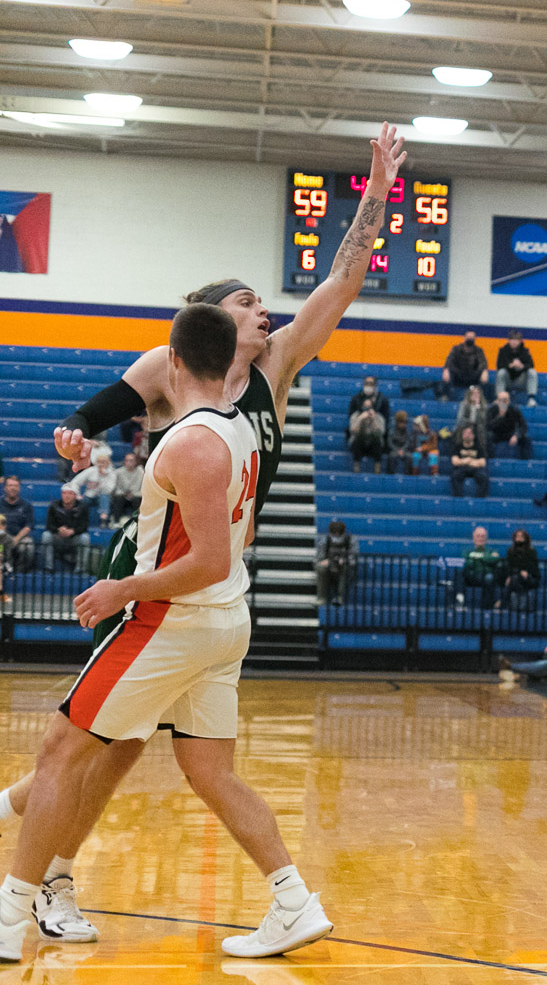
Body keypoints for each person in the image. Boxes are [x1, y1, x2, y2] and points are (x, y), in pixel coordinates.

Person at [0, 126, 407, 942]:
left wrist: (376, 193)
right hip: (156, 568)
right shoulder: (170, 366)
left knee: (117, 747)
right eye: (248, 300)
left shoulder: (280, 363)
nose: (266, 308)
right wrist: (76, 436)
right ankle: (48, 877)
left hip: (208, 580)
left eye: (263, 300)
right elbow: (97, 411)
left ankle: (32, 843)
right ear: (211, 325)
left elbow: (345, 275)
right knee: (101, 748)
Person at [4, 302, 328, 963]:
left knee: (62, 753)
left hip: (169, 621)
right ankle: (294, 902)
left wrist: (124, 588)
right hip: (222, 625)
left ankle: (10, 914)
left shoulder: (190, 442)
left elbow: (208, 560)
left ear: (173, 361)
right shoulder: (241, 426)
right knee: (211, 773)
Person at [37, 485, 91, 572]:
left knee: (85, 538)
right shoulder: (54, 506)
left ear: (75, 495)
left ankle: (80, 569)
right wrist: (58, 530)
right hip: (58, 537)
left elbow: (84, 526)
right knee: (46, 536)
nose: (67, 495)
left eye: (70, 493)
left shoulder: (83, 507)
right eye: (64, 493)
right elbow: (49, 525)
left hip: (74, 538)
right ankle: (48, 567)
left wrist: (73, 531)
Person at [314, 518, 357, 606]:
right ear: (330, 533)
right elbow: (318, 559)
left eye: (339, 535)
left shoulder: (350, 540)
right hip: (329, 567)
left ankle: (339, 597)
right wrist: (323, 561)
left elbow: (353, 559)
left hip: (344, 568)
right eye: (334, 535)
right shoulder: (325, 540)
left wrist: (345, 560)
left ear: (343, 533)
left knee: (344, 568)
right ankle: (322, 598)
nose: (337, 537)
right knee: (320, 568)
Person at [459, 526, 502, 609]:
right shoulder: (467, 551)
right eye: (478, 536)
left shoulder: (492, 551)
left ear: (486, 538)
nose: (480, 538)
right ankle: (459, 601)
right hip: (472, 576)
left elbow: (494, 559)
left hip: (485, 576)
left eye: (483, 536)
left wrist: (477, 558)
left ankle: (486, 607)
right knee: (460, 573)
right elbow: (468, 563)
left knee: (489, 578)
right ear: (473, 538)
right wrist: (485, 558)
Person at [438, 330, 489, 400]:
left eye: (472, 338)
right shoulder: (456, 349)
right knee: (447, 373)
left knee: (484, 377)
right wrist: (446, 369)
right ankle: (445, 397)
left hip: (473, 377)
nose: (470, 339)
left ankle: (483, 400)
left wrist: (484, 371)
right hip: (458, 376)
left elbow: (483, 363)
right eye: (468, 337)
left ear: (475, 339)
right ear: (464, 337)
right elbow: (449, 361)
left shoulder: (479, 350)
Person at [485, 389, 532, 461]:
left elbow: (523, 427)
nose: (502, 403)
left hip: (510, 434)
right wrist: (500, 417)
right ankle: (490, 460)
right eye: (500, 400)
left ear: (509, 401)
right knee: (486, 438)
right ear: (497, 401)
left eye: (505, 400)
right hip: (496, 434)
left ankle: (526, 462)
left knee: (526, 439)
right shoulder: (492, 410)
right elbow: (488, 426)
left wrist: (516, 435)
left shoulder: (514, 410)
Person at [0, 476, 35, 573]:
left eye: (15, 485)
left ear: (19, 488)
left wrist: (15, 539)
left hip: (18, 538)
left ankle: (20, 574)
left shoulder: (26, 505)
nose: (13, 488)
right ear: (5, 488)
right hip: (1, 538)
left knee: (28, 545)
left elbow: (28, 526)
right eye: (10, 485)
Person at [502, 528, 540, 611]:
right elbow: (509, 567)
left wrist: (525, 573)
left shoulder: (531, 552)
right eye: (517, 536)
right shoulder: (511, 551)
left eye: (521, 536)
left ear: (526, 538)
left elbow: (533, 569)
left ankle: (504, 604)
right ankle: (522, 606)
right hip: (516, 577)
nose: (519, 539)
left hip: (529, 578)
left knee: (515, 580)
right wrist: (518, 572)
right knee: (515, 579)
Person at [495, 328, 537, 403]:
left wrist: (522, 366)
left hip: (521, 380)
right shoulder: (503, 351)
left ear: (520, 341)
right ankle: (499, 398)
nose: (514, 342)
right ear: (508, 340)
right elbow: (499, 366)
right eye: (512, 340)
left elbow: (531, 364)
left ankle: (531, 398)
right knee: (501, 372)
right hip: (508, 380)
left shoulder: (525, 351)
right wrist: (510, 365)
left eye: (516, 340)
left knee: (532, 372)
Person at [448, 426, 489, 499]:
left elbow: (483, 462)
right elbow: (454, 461)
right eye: (465, 433)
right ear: (462, 435)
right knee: (455, 476)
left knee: (483, 477)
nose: (467, 435)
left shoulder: (478, 447)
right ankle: (458, 498)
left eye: (469, 433)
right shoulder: (457, 446)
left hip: (475, 469)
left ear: (473, 435)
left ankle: (480, 499)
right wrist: (467, 461)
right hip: (461, 468)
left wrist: (467, 461)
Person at [345, 374, 388, 444]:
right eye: (366, 383)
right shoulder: (355, 399)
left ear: (375, 386)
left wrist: (373, 417)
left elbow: (385, 422)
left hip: (375, 436)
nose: (368, 386)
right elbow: (351, 420)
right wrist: (361, 416)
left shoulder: (383, 401)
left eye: (371, 384)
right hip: (359, 434)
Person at [348, 402, 387, 473]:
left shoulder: (378, 416)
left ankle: (377, 466)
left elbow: (381, 433)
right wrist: (360, 419)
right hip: (360, 443)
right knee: (357, 440)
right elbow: (352, 431)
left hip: (373, 444)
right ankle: (356, 465)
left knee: (377, 441)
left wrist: (374, 420)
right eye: (365, 406)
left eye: (369, 406)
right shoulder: (356, 415)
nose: (367, 408)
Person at [452, 384, 490, 453]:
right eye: (473, 393)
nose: (475, 395)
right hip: (465, 427)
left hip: (478, 428)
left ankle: (482, 453)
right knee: (460, 431)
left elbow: (484, 421)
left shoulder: (484, 406)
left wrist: (477, 408)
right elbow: (460, 420)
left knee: (481, 430)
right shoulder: (464, 404)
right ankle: (457, 453)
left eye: (477, 393)